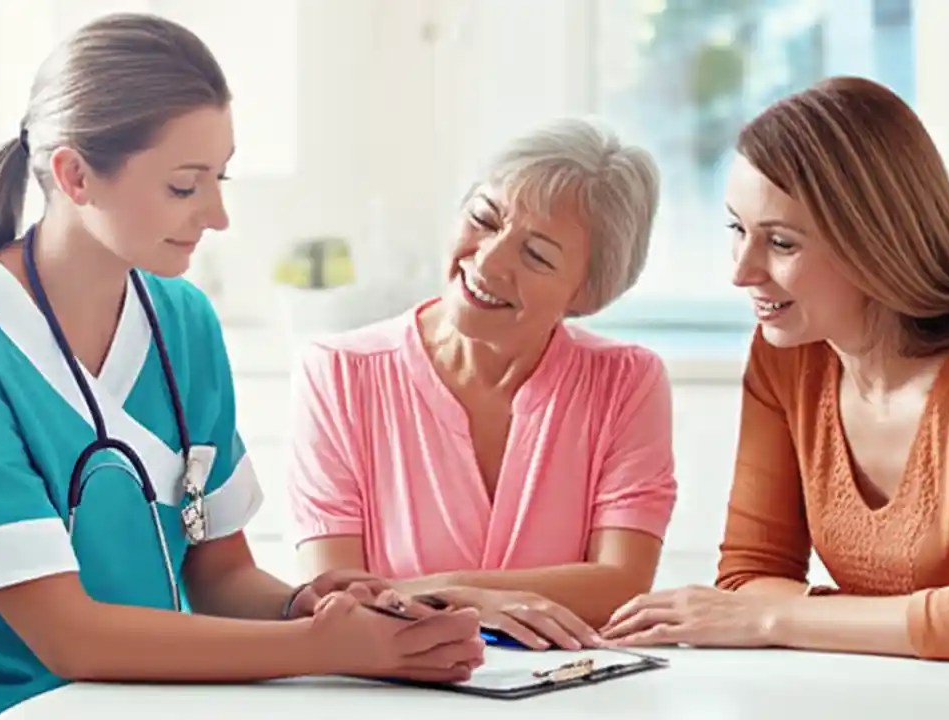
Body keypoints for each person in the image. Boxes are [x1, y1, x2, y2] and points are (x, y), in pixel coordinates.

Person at [0, 13, 482, 719]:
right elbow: (70, 638)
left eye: (221, 177)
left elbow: (221, 573)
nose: (217, 215)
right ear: (74, 175)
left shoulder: (183, 323)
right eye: (185, 187)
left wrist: (306, 606)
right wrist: (323, 647)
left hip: (139, 703)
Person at [599, 76, 949, 707]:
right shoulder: (785, 355)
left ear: (873, 238)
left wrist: (775, 618)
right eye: (736, 230)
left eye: (781, 242)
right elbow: (747, 579)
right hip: (928, 701)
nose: (742, 271)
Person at [286, 118, 678, 650]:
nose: (488, 262)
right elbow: (338, 599)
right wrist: (477, 601)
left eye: (536, 255)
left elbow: (621, 584)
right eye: (484, 219)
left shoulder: (627, 382)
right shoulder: (338, 373)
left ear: (587, 292)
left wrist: (449, 591)